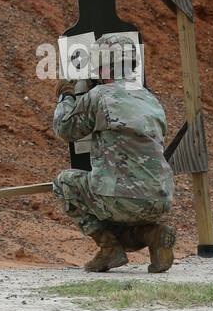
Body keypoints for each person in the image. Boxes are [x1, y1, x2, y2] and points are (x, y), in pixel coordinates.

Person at [52, 33, 176, 272]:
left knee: (63, 184)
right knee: (120, 210)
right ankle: (153, 234)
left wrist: (66, 96)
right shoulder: (150, 98)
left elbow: (64, 128)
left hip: (121, 198)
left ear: (103, 65)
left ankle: (109, 249)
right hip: (160, 198)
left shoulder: (100, 96)